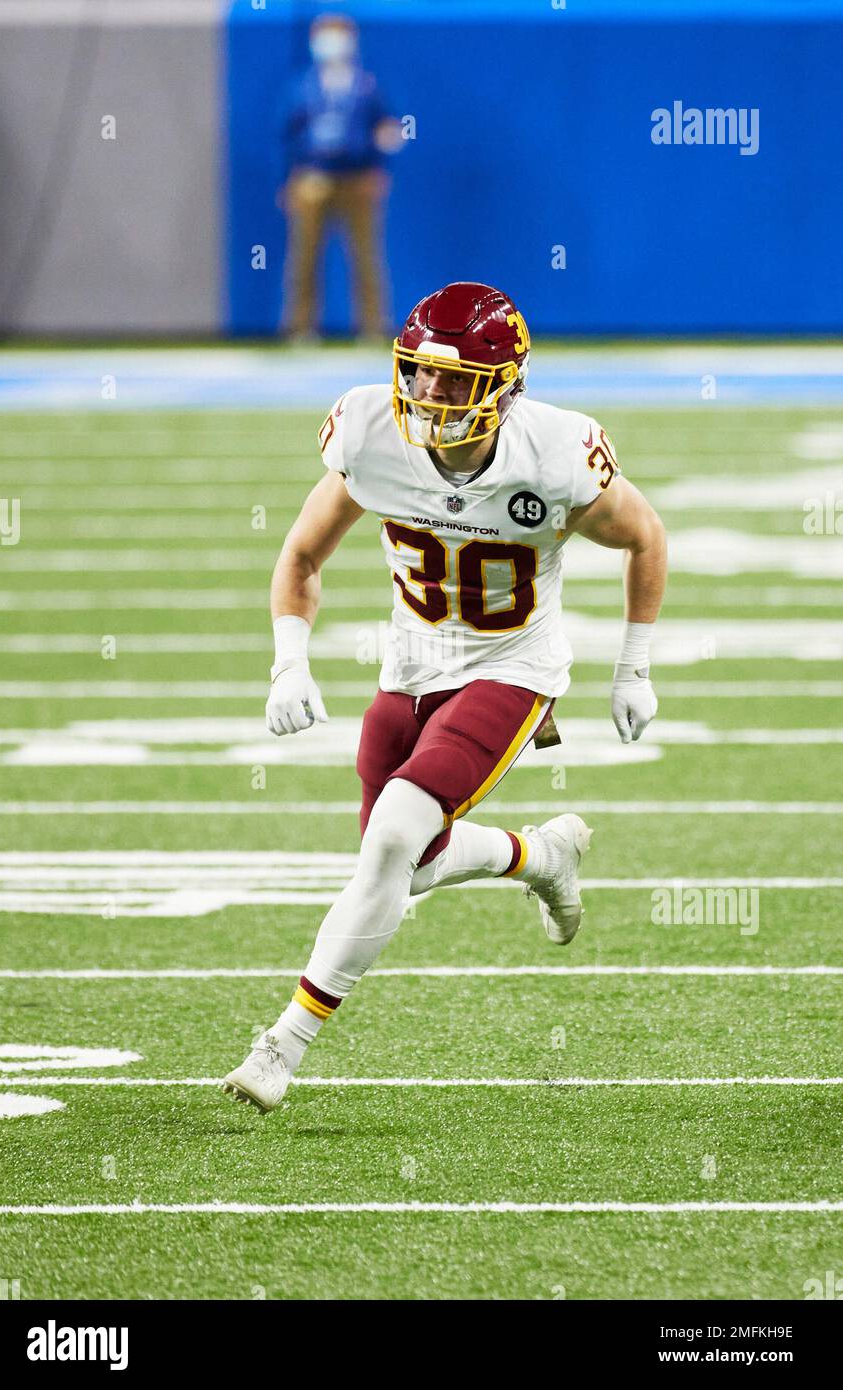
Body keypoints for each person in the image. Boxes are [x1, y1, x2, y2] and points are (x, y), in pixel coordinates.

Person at [224, 281, 667, 1112]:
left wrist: (633, 666)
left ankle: (284, 1043)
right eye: (419, 375)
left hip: (514, 666)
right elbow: (303, 558)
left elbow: (645, 535)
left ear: (503, 388)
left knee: (395, 837)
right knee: (408, 865)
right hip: (409, 665)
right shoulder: (369, 432)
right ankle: (540, 858)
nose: (429, 396)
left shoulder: (555, 452)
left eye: (454, 380)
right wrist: (290, 660)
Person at [280, 13, 401, 341]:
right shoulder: (303, 85)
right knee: (305, 257)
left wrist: (378, 166)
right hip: (314, 175)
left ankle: (373, 326)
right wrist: (292, 178)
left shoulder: (366, 85)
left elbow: (385, 126)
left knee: (365, 256)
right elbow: (289, 134)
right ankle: (301, 328)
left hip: (357, 177)